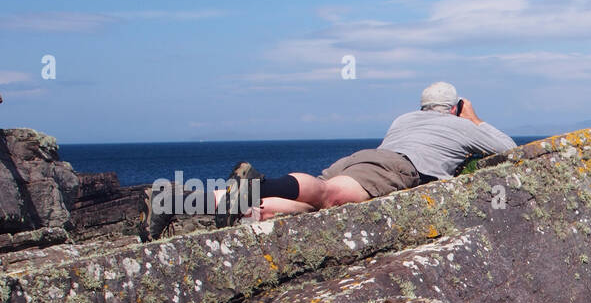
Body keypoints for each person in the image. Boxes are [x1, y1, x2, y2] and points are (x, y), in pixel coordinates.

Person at [145, 81, 515, 238]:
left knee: (305, 208)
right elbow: (509, 147)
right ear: (453, 107)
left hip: (365, 160)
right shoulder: (462, 125)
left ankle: (176, 200)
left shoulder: (404, 118)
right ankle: (256, 181)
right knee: (327, 195)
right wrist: (473, 118)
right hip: (397, 167)